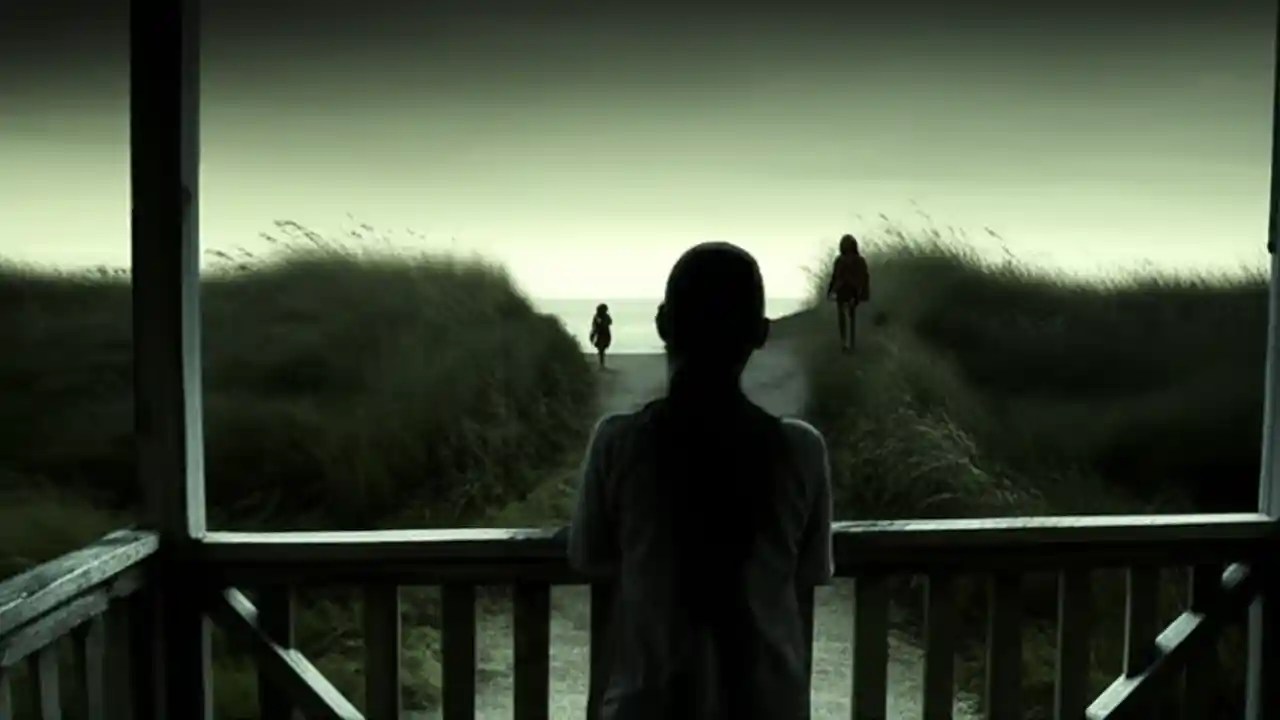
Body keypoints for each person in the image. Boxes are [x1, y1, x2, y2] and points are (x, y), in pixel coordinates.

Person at [568, 242, 835, 720]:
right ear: (760, 333)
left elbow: (589, 557)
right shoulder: (800, 451)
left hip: (646, 706)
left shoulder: (618, 443)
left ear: (662, 325)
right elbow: (811, 571)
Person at [825, 234, 871, 354]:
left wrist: (830, 291)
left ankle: (846, 342)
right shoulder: (857, 260)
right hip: (849, 291)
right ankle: (848, 343)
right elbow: (864, 278)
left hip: (848, 291)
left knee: (844, 317)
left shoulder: (842, 260)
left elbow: (835, 278)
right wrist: (864, 293)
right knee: (849, 317)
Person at [590, 303, 613, 369]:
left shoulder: (605, 316)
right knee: (601, 348)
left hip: (604, 333)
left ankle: (601, 362)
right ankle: (601, 363)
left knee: (603, 347)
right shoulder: (598, 316)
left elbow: (610, 322)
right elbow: (595, 325)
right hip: (601, 333)